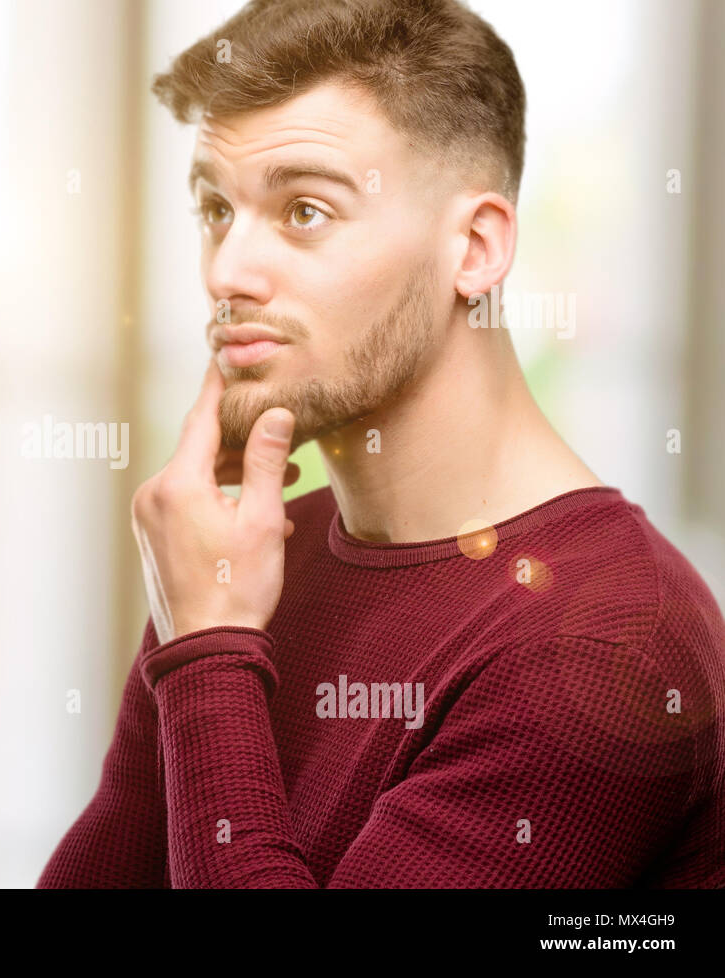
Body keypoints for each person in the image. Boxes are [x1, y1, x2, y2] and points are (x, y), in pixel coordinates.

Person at [37, 0, 725, 888]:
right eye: (216, 207)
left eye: (306, 211)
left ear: (474, 248)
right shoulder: (243, 562)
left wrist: (206, 650)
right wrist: (197, 630)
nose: (226, 272)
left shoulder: (601, 641)